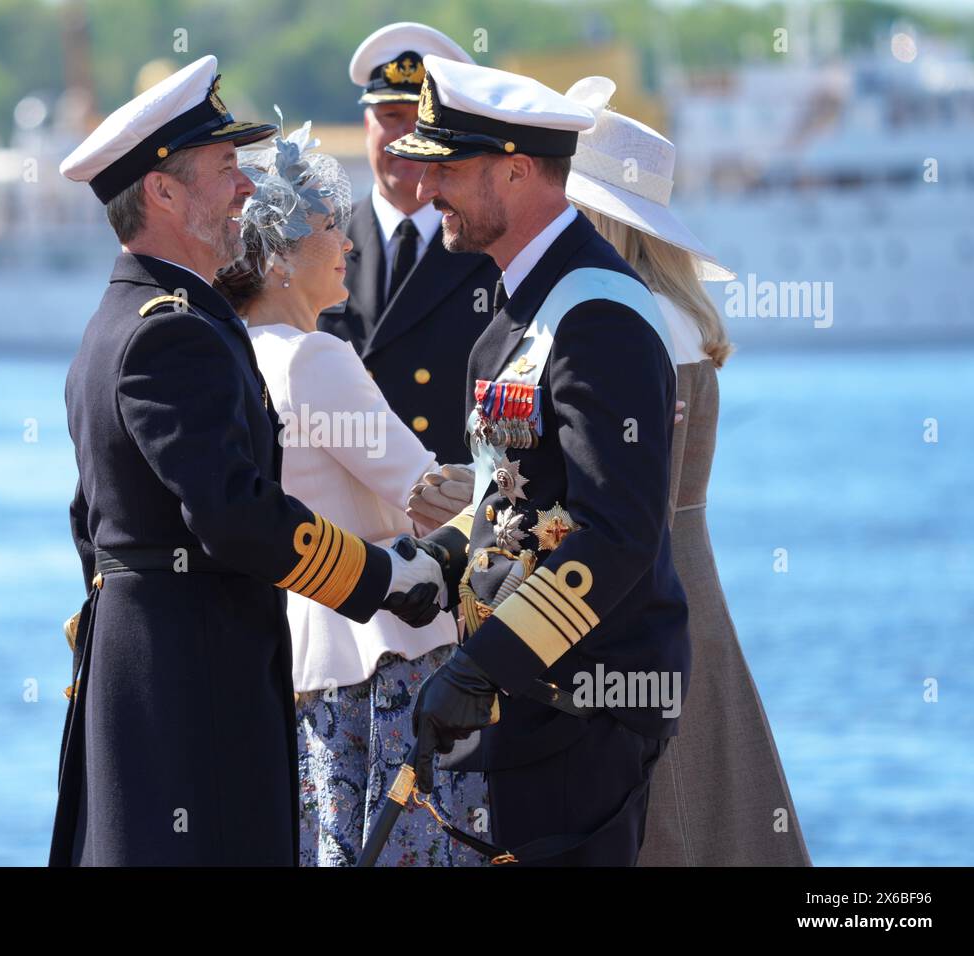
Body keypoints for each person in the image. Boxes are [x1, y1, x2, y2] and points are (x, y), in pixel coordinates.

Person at [48, 55, 444, 866]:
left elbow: (88, 523)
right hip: (190, 674)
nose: (246, 190)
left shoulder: (138, 318)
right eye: (227, 169)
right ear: (161, 191)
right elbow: (232, 513)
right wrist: (385, 580)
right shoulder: (168, 331)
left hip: (161, 661)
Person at [382, 55, 690, 866]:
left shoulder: (598, 316)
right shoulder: (524, 307)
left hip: (584, 700)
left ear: (517, 172)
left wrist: (488, 663)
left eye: (447, 168)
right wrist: (410, 569)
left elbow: (617, 530)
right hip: (533, 698)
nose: (425, 189)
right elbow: (509, 506)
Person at [213, 115, 488, 866]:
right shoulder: (314, 358)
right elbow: (428, 494)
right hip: (387, 653)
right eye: (333, 229)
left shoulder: (236, 352)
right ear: (279, 260)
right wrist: (514, 471)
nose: (350, 245)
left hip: (304, 653)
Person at [561, 77, 812, 866]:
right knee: (713, 793)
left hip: (636, 580)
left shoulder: (627, 316)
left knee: (665, 807)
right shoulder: (673, 314)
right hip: (682, 566)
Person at [318, 22, 501, 467]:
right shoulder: (314, 242)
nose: (404, 139)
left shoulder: (491, 249)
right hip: (338, 520)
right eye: (390, 118)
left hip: (455, 511)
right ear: (366, 124)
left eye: (421, 122)